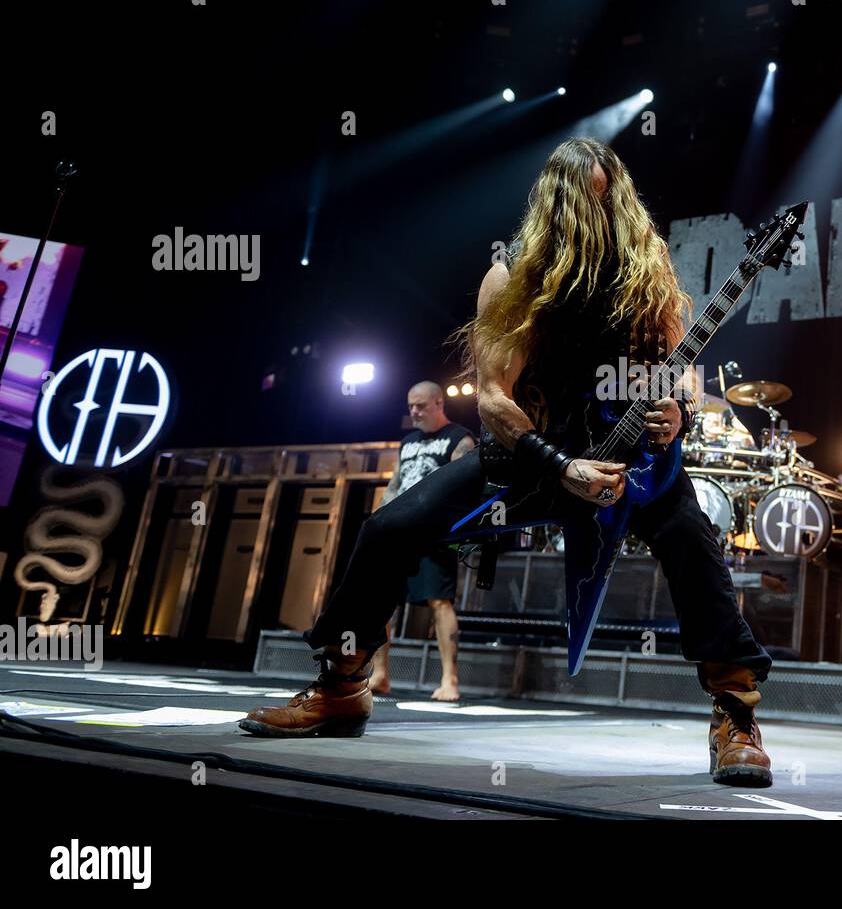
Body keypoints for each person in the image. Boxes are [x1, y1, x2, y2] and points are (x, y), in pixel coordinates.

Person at [241, 137, 773, 787]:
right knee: (389, 530)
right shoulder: (513, 278)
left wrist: (679, 413)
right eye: (581, 204)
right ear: (553, 206)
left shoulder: (648, 271)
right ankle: (342, 686)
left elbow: (678, 370)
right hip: (530, 456)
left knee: (693, 537)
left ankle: (735, 717)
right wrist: (560, 467)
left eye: (606, 203)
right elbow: (493, 399)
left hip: (625, 459)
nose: (595, 219)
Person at [368, 381, 475, 700]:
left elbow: (463, 489)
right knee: (382, 603)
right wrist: (379, 519)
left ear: (439, 403)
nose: (414, 411)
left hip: (435, 533)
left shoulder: (460, 439)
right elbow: (395, 485)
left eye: (420, 405)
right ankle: (381, 675)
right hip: (400, 531)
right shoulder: (408, 442)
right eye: (410, 405)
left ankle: (449, 680)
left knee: (440, 602)